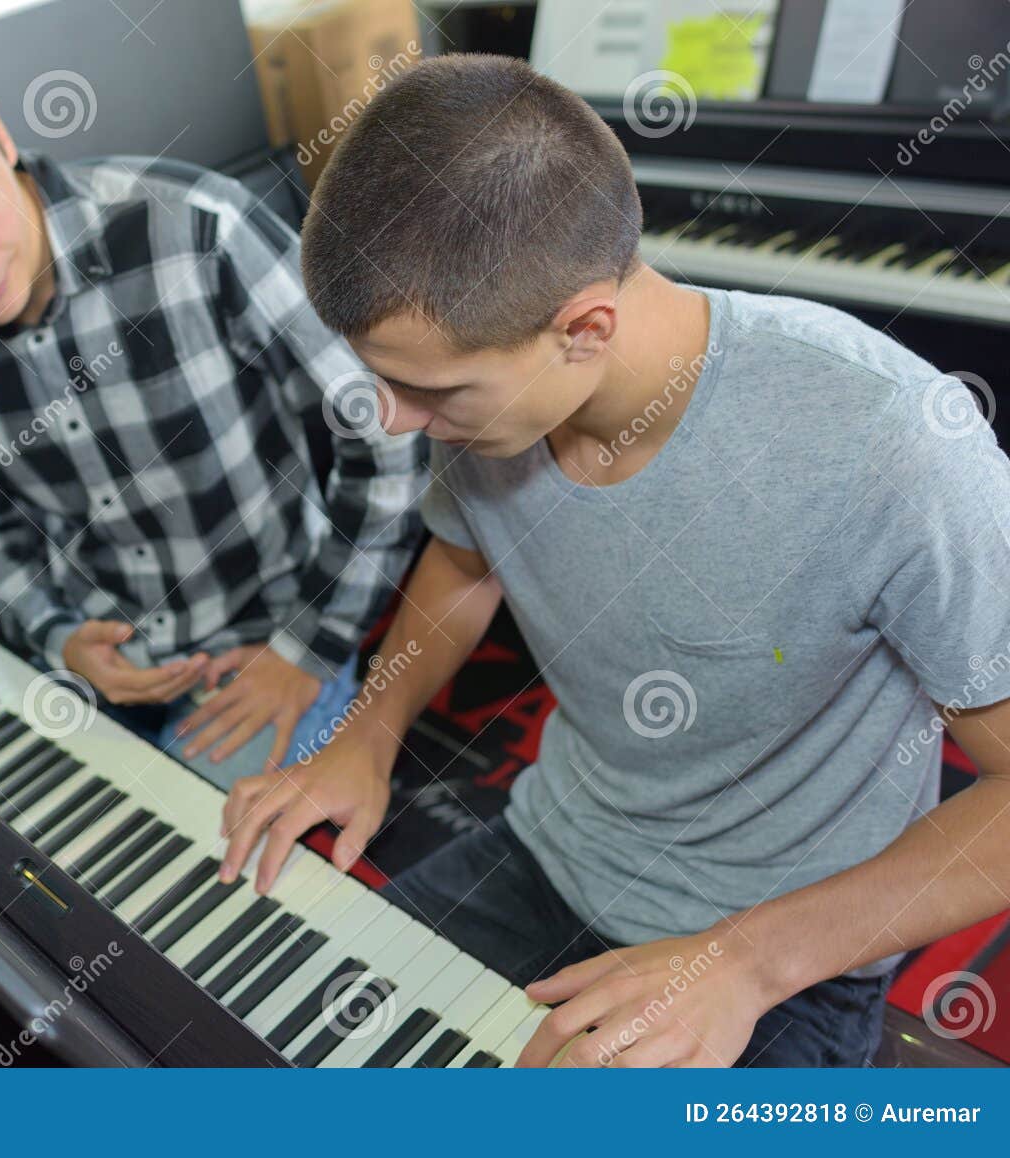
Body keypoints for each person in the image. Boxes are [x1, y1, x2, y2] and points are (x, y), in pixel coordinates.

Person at [218, 53, 1010, 1067]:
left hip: (784, 940)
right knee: (266, 1041)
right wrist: (368, 732)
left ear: (584, 327)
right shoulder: (489, 399)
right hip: (555, 847)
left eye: (433, 392)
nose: (391, 419)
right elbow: (464, 567)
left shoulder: (888, 441)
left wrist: (748, 961)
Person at [0, 18, 423, 789]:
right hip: (87, 665)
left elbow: (389, 438)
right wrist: (58, 635)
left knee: (202, 878)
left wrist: (307, 649)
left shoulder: (196, 228)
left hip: (265, 649)